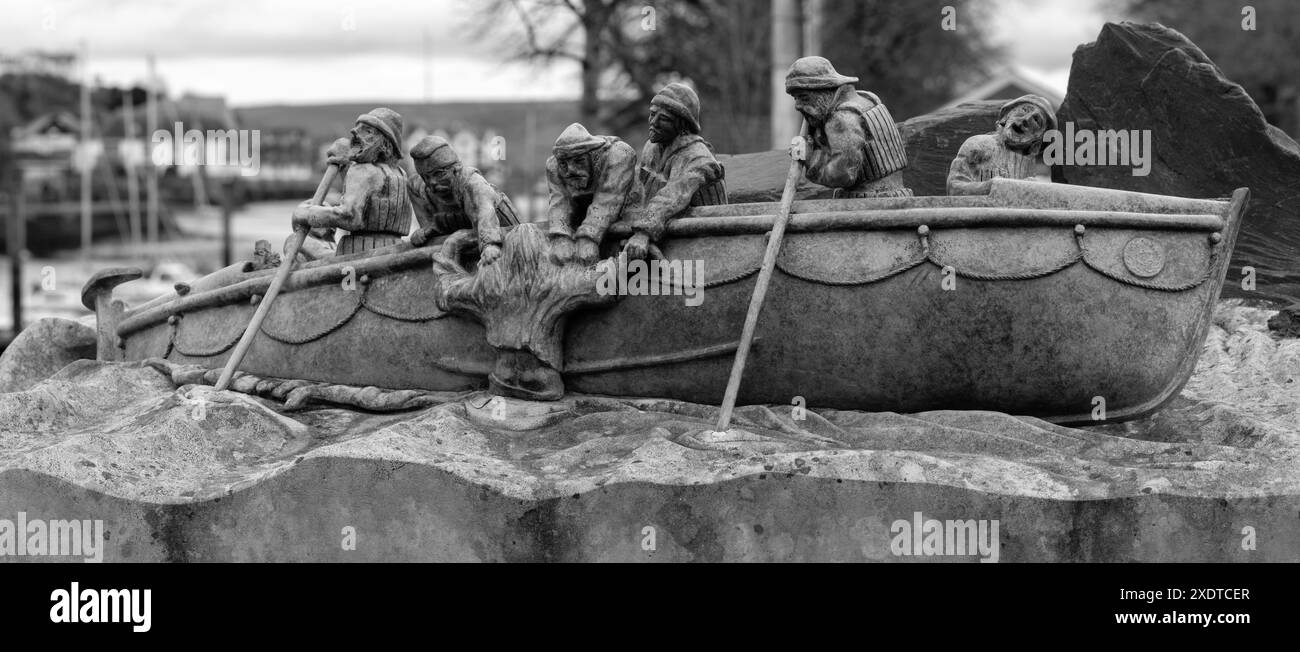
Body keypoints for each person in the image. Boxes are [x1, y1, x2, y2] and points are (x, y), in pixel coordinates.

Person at [620, 82, 727, 260]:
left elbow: (673, 195)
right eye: (652, 114)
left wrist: (643, 233)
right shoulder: (652, 147)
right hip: (667, 231)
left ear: (682, 126)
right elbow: (639, 190)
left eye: (664, 119)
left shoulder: (697, 157)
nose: (653, 123)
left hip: (704, 242)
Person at [784, 56, 911, 198]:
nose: (798, 106)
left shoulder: (841, 119)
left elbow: (841, 175)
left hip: (869, 203)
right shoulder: (867, 98)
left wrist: (809, 157)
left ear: (824, 90)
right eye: (796, 99)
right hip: (892, 195)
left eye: (804, 98)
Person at [291, 108, 411, 255]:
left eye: (367, 131)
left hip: (358, 254)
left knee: (291, 242)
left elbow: (350, 217)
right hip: (396, 250)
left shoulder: (363, 170)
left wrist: (304, 214)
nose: (354, 133)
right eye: (357, 128)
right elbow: (367, 191)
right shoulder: (400, 174)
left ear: (385, 143)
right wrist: (345, 164)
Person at [406, 135, 518, 265]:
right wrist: (426, 230)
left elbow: (484, 214)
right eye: (426, 176)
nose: (433, 182)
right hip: (461, 245)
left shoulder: (473, 184)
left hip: (503, 236)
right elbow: (413, 185)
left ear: (455, 170)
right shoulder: (420, 187)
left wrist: (489, 245)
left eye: (439, 174)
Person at [545, 123, 637, 265]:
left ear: (593, 156)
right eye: (564, 164)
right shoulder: (553, 166)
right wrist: (560, 237)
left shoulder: (620, 154)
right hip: (583, 220)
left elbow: (608, 198)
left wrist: (588, 238)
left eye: (579, 161)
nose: (571, 170)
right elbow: (559, 201)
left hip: (628, 214)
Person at [946, 94, 1057, 196]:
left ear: (1037, 144)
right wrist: (991, 186)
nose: (1025, 120)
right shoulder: (979, 144)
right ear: (1006, 116)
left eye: (1036, 120)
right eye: (1024, 110)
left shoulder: (1028, 166)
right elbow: (954, 188)